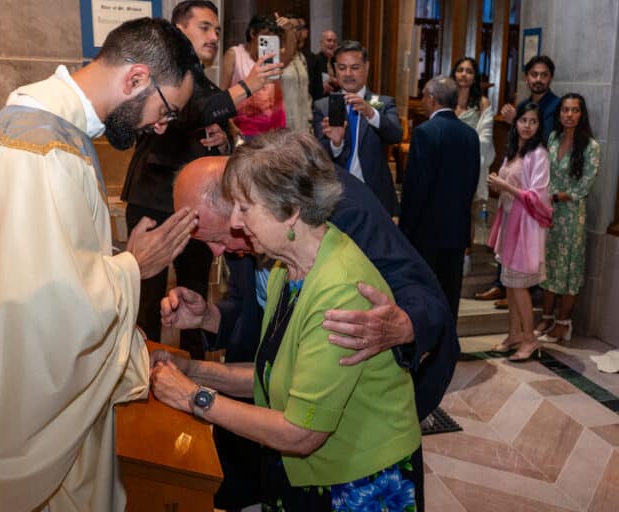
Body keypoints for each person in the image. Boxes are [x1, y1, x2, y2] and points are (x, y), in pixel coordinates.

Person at [0, 18, 201, 512]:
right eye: (166, 109)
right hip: (28, 394)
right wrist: (133, 266)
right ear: (135, 79)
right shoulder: (41, 150)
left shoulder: (45, 131)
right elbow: (49, 310)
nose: (162, 126)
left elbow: (50, 267)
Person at [166, 153, 457, 511]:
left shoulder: (332, 219)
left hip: (357, 462)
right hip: (297, 456)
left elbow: (420, 290)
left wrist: (404, 325)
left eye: (238, 215)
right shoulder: (283, 266)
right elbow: (264, 339)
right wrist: (207, 322)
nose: (217, 251)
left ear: (283, 210)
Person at [121, 1, 282, 357]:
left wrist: (224, 139)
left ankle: (193, 376)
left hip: (197, 208)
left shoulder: (202, 78)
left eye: (217, 30)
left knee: (194, 296)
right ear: (180, 30)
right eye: (204, 28)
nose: (213, 37)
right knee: (147, 299)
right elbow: (197, 112)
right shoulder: (163, 74)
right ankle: (143, 380)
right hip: (155, 200)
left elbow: (211, 119)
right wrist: (249, 85)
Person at [477, 55, 559, 304]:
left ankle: (525, 295)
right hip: (514, 198)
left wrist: (516, 120)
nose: (538, 79)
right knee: (509, 249)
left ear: (550, 78)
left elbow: (542, 139)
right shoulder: (523, 103)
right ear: (527, 77)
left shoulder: (555, 106)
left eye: (543, 75)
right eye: (534, 74)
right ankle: (504, 286)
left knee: (528, 256)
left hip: (535, 189)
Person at [399, 75, 480, 322]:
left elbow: (416, 188)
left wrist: (405, 231)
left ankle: (428, 352)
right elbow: (471, 184)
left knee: (426, 296)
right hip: (456, 232)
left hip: (426, 234)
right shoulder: (470, 135)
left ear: (432, 99)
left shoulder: (425, 133)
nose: (423, 100)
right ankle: (448, 350)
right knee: (449, 295)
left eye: (424, 95)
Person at [487, 103, 552, 361]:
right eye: (523, 120)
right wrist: (500, 187)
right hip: (509, 222)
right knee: (510, 284)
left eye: (532, 121)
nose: (526, 125)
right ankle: (514, 333)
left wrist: (505, 186)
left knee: (521, 286)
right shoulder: (515, 150)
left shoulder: (539, 155)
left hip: (525, 226)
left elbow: (538, 196)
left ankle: (529, 339)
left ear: (539, 126)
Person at [536, 94, 600, 343]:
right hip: (549, 214)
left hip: (572, 216)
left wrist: (556, 196)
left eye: (574, 110)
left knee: (568, 270)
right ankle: (547, 316)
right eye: (565, 110)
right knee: (549, 266)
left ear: (581, 114)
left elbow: (584, 187)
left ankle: (563, 323)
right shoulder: (553, 138)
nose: (569, 115)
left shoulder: (590, 146)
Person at [314, 40, 403, 216]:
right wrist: (336, 144)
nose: (348, 74)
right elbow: (319, 156)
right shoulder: (323, 107)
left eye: (354, 67)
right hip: (338, 197)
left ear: (366, 68)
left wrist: (371, 114)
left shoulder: (382, 103)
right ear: (335, 70)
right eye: (342, 67)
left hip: (375, 195)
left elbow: (395, 135)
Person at [452, 56, 495, 276]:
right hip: (445, 166)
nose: (464, 74)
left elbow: (485, 137)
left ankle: (465, 256)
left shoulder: (482, 103)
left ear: (474, 77)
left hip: (470, 164)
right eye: (460, 70)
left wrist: (461, 151)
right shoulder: (447, 99)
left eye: (469, 71)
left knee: (465, 212)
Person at [220, 14, 297, 139]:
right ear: (252, 33)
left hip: (275, 129)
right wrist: (229, 124)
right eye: (265, 35)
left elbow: (289, 54)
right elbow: (222, 93)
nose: (269, 40)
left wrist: (289, 30)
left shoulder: (273, 55)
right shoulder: (235, 54)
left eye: (273, 37)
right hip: (245, 128)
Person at [280, 13, 313, 133]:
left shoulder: (301, 58)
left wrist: (310, 120)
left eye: (298, 28)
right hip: (284, 126)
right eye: (290, 28)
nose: (296, 32)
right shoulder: (277, 58)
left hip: (304, 125)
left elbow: (307, 93)